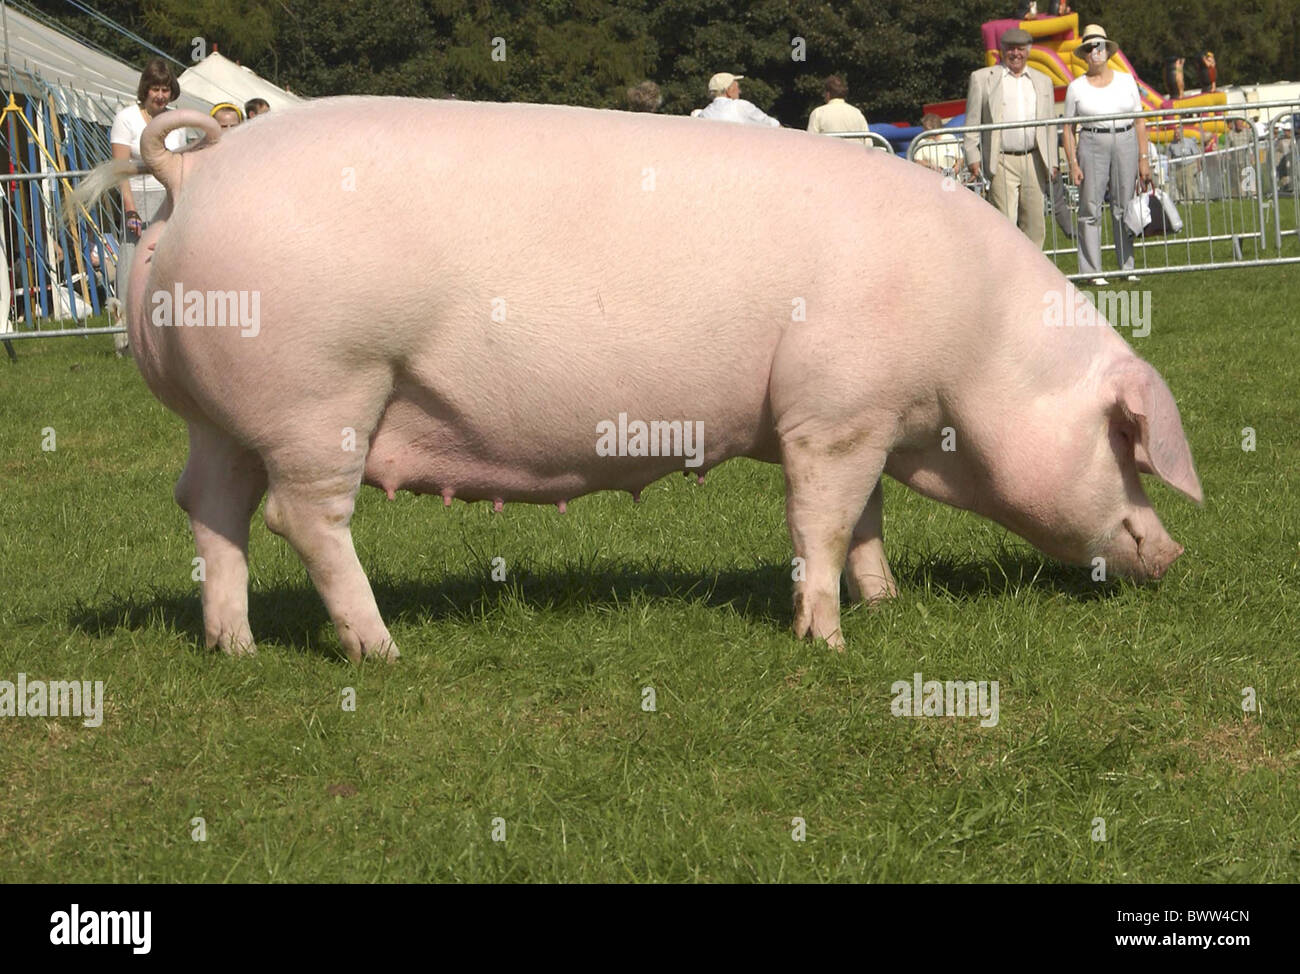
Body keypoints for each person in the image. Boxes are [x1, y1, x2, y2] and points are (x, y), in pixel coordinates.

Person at [108, 57, 186, 356]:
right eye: (155, 88)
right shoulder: (126, 118)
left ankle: (165, 338)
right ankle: (123, 340)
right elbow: (120, 167)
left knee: (168, 266)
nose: (160, 95)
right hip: (138, 200)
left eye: (166, 89)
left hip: (169, 198)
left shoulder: (177, 120)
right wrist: (130, 208)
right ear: (146, 89)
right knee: (130, 268)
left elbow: (180, 163)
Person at [1063, 24, 1151, 284]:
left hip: (1125, 139)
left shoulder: (1126, 81)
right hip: (1091, 142)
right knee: (1090, 207)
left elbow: (1139, 121)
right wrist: (1073, 163)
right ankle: (1092, 271)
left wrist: (1143, 158)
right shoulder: (1076, 87)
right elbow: (1068, 129)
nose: (1095, 52)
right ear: (1085, 55)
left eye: (1099, 46)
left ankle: (1127, 266)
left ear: (1108, 50)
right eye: (1090, 48)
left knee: (1124, 206)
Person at [963, 28, 1058, 248]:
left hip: (1035, 159)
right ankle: (1006, 276)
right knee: (1003, 222)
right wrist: (972, 156)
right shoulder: (982, 78)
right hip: (1001, 159)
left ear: (1028, 51)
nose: (1016, 53)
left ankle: (1033, 276)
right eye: (1011, 49)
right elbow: (972, 121)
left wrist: (1052, 160)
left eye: (1020, 49)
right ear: (1002, 50)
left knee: (1035, 224)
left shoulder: (1043, 81)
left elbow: (1050, 125)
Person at [696, 73, 779, 127]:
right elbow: (770, 124)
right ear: (729, 91)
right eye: (737, 88)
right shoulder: (741, 106)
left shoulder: (703, 114)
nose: (740, 91)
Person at [807, 75, 869, 146]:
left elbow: (811, 143)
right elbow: (868, 143)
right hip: (856, 155)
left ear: (828, 94)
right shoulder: (857, 113)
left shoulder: (818, 113)